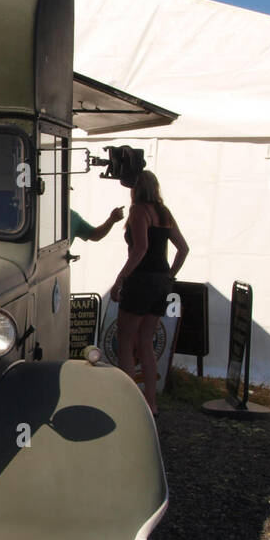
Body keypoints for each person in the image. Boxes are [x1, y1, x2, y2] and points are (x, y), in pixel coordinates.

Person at [109, 170, 188, 415]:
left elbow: (140, 249)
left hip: (141, 280)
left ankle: (127, 403)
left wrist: (120, 279)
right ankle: (151, 403)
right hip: (162, 282)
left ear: (136, 188)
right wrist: (169, 275)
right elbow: (183, 249)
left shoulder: (139, 211)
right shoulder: (164, 212)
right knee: (146, 341)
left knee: (125, 341)